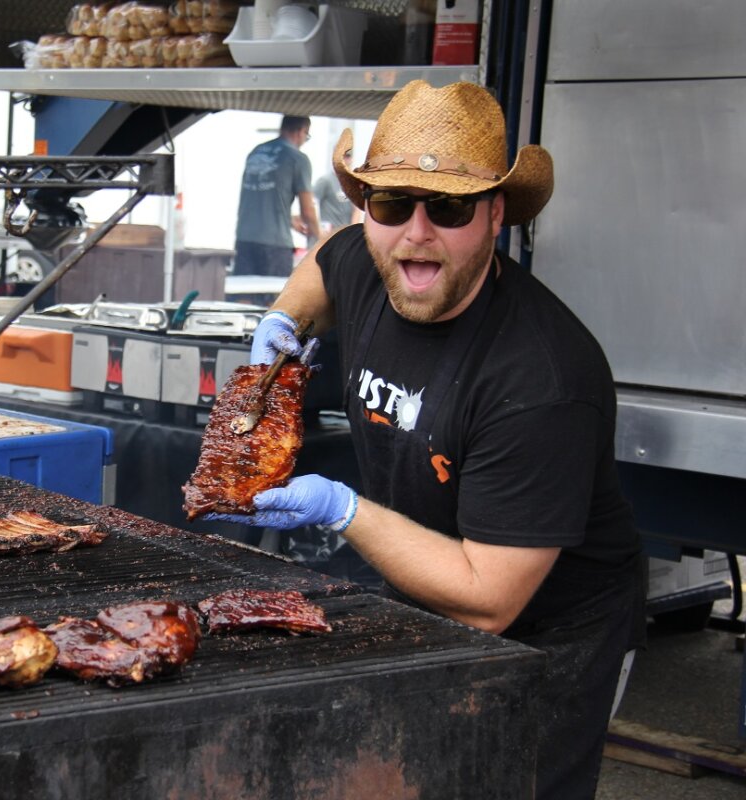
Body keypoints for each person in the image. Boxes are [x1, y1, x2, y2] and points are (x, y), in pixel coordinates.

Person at [206, 81, 644, 800]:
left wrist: (341, 509)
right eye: (390, 204)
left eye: (447, 207)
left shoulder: (540, 380)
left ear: (496, 214)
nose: (415, 232)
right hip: (421, 585)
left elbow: (488, 599)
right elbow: (325, 264)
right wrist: (280, 326)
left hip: (550, 633)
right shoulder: (365, 259)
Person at [232, 114, 319, 277]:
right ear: (301, 131)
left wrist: (289, 219)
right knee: (273, 296)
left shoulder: (256, 152)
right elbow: (308, 211)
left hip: (245, 238)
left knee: (243, 294)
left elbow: (262, 198)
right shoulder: (297, 158)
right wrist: (320, 238)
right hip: (275, 243)